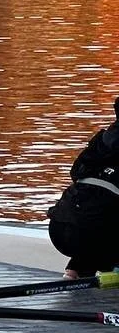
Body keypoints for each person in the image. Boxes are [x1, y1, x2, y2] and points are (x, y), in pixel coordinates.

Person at [49, 97, 119, 278]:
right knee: (101, 217)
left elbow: (75, 173)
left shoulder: (103, 139)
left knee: (98, 211)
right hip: (92, 230)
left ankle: (74, 273)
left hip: (59, 226)